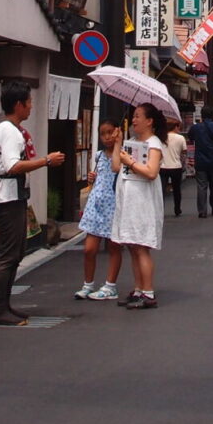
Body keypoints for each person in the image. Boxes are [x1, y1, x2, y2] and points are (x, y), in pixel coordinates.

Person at [0, 83, 66, 326]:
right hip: (8, 196)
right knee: (9, 254)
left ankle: (5, 305)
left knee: (16, 252)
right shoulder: (10, 131)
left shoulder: (8, 129)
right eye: (29, 102)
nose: (32, 106)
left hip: (14, 195)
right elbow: (12, 165)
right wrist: (46, 160)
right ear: (18, 104)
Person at [112, 103, 167, 308]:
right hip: (129, 198)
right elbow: (116, 166)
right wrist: (118, 144)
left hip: (143, 199)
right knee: (133, 246)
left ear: (149, 121)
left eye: (137, 116)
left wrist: (131, 162)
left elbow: (152, 172)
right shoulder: (132, 141)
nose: (133, 120)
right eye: (133, 116)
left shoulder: (154, 143)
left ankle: (148, 292)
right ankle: (138, 290)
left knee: (142, 246)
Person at [74, 119, 124, 301]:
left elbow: (117, 169)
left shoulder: (124, 154)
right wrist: (91, 178)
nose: (107, 136)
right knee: (89, 249)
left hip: (115, 204)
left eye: (110, 132)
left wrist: (119, 145)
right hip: (96, 204)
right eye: (103, 133)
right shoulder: (98, 156)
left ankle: (111, 285)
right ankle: (88, 284)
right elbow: (98, 179)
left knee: (114, 247)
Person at [185, 106, 213, 216]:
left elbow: (190, 138)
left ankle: (202, 211)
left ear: (201, 115)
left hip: (200, 160)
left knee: (201, 186)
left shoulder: (196, 128)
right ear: (212, 115)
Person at [160, 115, 188, 217]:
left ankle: (160, 210)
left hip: (163, 166)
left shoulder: (161, 137)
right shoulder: (180, 138)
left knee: (162, 189)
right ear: (175, 127)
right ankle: (177, 209)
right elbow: (184, 152)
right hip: (176, 166)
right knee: (177, 189)